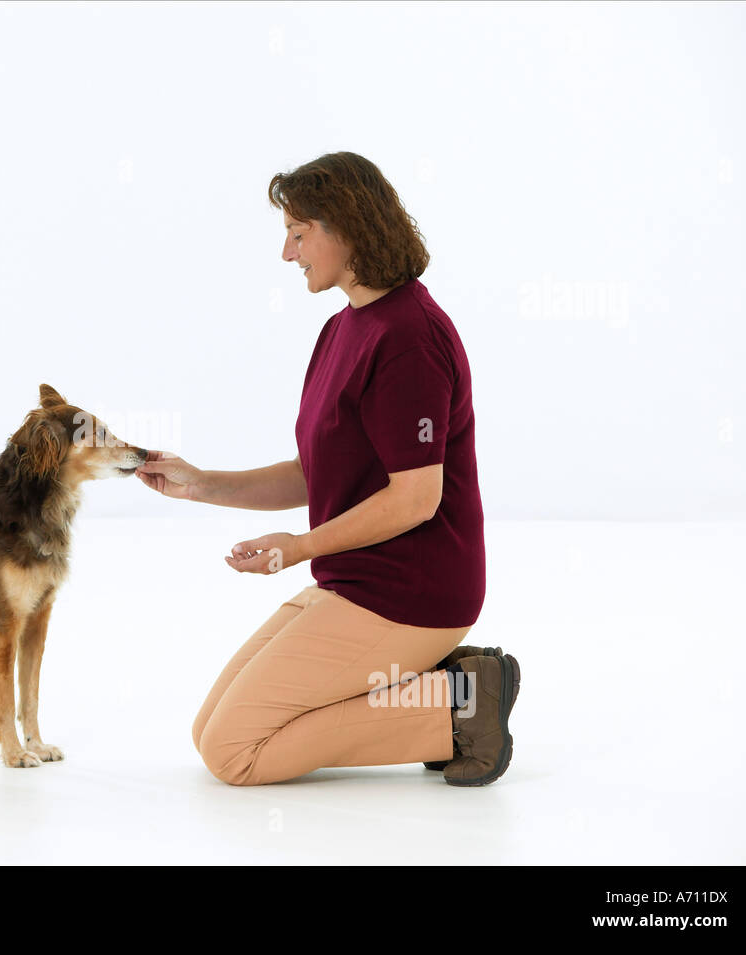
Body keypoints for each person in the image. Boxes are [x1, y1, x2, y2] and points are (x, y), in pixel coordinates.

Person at [137, 151, 520, 787]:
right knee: (209, 730)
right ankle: (442, 688)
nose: (288, 254)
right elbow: (316, 476)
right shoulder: (344, 329)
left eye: (299, 232)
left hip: (412, 594)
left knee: (235, 753)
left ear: (347, 227)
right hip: (354, 580)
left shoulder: (410, 337)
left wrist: (298, 547)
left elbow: (417, 499)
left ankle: (458, 711)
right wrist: (199, 484)